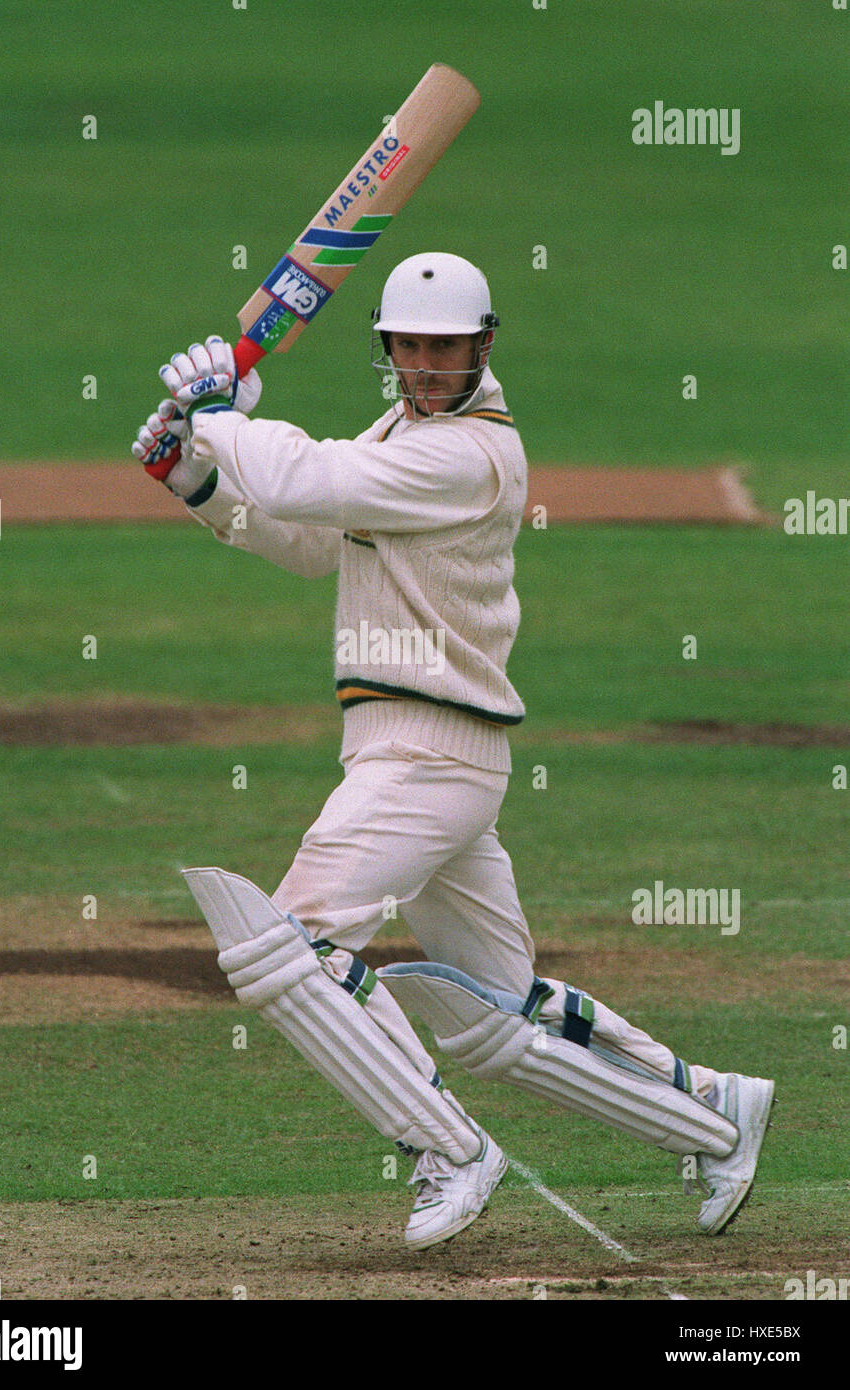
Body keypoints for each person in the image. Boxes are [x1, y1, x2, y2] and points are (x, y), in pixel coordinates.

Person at [132, 252, 774, 1250]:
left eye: (446, 347)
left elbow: (308, 475)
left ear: (483, 346)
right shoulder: (403, 434)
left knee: (287, 946)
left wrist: (221, 412)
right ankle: (713, 1110)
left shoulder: (471, 454)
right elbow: (312, 538)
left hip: (424, 756)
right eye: (411, 347)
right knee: (498, 1020)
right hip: (423, 754)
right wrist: (200, 476)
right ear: (387, 347)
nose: (427, 364)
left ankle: (448, 1149)